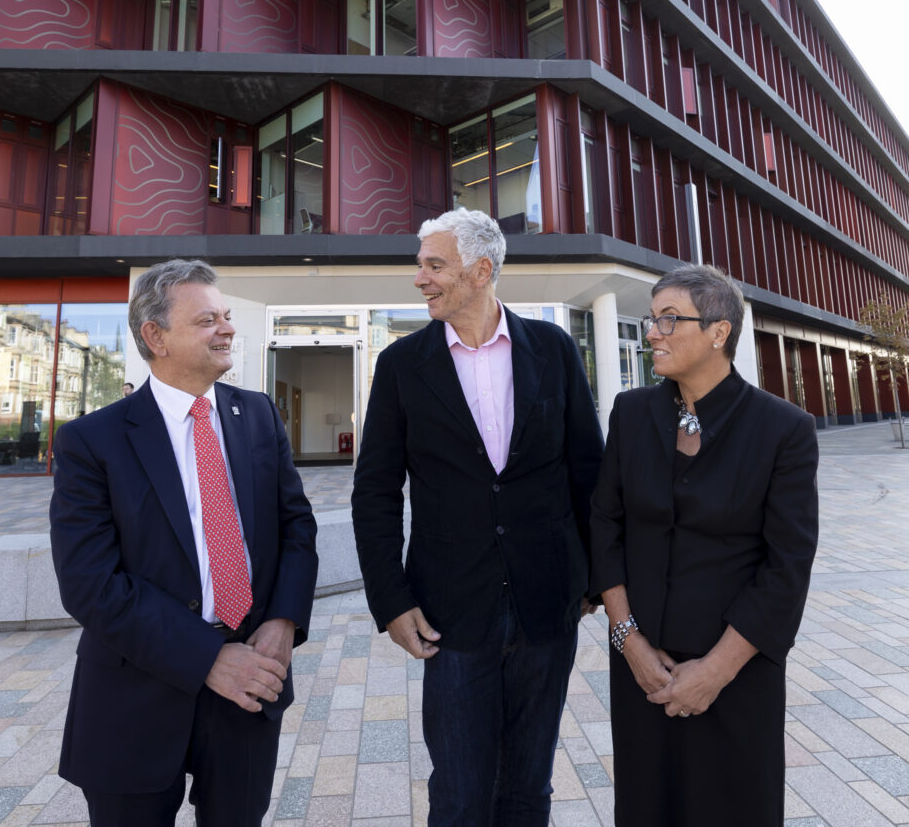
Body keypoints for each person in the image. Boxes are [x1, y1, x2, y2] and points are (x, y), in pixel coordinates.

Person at [352, 208, 603, 826]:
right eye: (421, 266)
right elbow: (375, 491)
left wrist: (594, 579)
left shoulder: (553, 348)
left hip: (547, 604)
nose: (420, 278)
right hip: (451, 612)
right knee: (461, 795)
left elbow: (588, 471)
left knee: (528, 789)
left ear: (481, 270)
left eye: (434, 265)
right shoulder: (401, 364)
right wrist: (391, 600)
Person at [49, 259, 318, 826]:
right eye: (207, 320)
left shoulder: (259, 415)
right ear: (156, 336)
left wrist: (283, 622)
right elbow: (90, 584)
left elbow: (296, 527)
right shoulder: (91, 441)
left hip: (250, 685)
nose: (227, 328)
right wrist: (208, 658)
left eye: (226, 316)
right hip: (135, 694)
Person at [590, 264, 818, 826]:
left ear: (719, 332)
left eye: (670, 319)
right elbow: (604, 525)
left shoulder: (783, 429)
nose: (652, 332)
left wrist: (714, 671)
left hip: (736, 676)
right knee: (646, 809)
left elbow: (786, 567)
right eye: (652, 319)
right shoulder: (631, 413)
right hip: (642, 670)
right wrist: (628, 641)